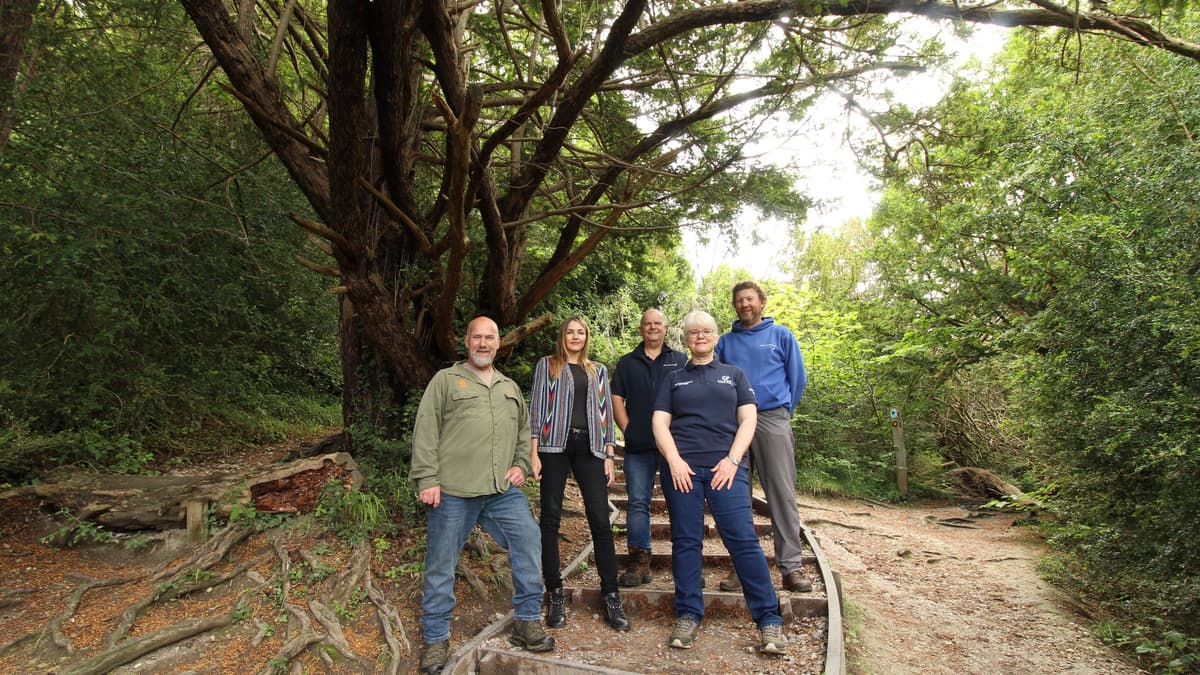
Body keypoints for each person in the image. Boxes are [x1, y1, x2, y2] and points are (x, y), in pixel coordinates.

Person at [411, 317, 554, 675]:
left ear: (499, 343)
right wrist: (427, 478)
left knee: (528, 539)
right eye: (477, 337)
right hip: (453, 490)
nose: (483, 343)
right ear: (466, 341)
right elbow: (425, 429)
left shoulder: (509, 386)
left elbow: (523, 431)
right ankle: (436, 639)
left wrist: (521, 464)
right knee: (441, 562)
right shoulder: (445, 381)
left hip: (500, 491)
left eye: (490, 338)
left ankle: (527, 620)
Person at [651, 310, 787, 654]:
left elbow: (748, 420)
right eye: (693, 332)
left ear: (715, 336)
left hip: (727, 469)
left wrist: (732, 460)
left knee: (743, 540)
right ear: (685, 339)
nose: (700, 336)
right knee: (685, 542)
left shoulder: (735, 375)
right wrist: (674, 460)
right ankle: (688, 613)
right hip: (682, 470)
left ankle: (769, 619)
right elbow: (659, 423)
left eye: (706, 331)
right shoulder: (673, 378)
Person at [529, 316, 631, 631]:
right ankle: (555, 592)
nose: (575, 336)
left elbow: (605, 414)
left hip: (590, 448)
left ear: (587, 337)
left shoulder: (597, 370)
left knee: (600, 520)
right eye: (570, 332)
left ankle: (611, 595)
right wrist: (533, 452)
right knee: (550, 519)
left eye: (581, 332)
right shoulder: (547, 365)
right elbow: (536, 408)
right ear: (563, 336)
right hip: (552, 447)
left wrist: (609, 455)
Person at [715, 280, 812, 593]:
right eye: (739, 300)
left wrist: (781, 412)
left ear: (761, 303)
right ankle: (743, 567)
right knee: (735, 497)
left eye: (750, 299)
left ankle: (791, 567)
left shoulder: (781, 335)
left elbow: (797, 378)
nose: (745, 304)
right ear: (734, 306)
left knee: (781, 494)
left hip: (772, 419)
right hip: (734, 424)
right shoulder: (724, 343)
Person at [612, 308, 686, 586]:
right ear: (641, 328)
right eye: (647, 324)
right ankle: (639, 561)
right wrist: (627, 429)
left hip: (674, 447)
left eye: (658, 323)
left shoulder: (680, 360)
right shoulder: (627, 362)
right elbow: (616, 398)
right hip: (639, 445)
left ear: (665, 328)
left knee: (681, 502)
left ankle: (686, 563)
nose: (653, 327)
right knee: (637, 502)